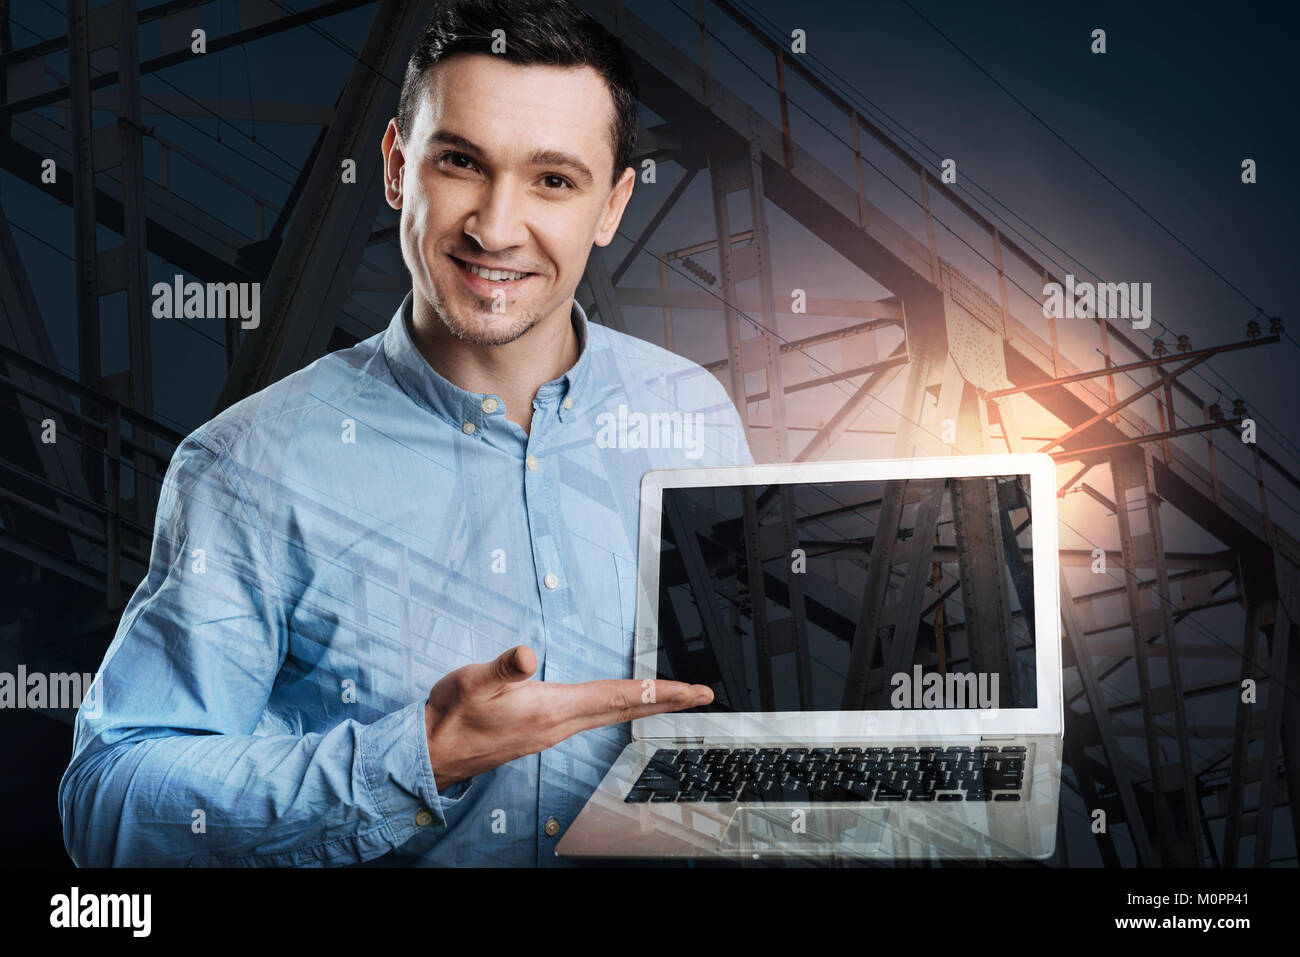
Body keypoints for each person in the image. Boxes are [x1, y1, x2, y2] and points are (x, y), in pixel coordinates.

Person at [59, 0, 751, 867]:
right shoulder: (248, 465)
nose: (496, 227)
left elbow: (741, 705)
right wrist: (414, 757)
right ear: (396, 168)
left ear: (611, 206)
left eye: (554, 181)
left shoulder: (691, 410)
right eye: (461, 162)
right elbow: (110, 802)